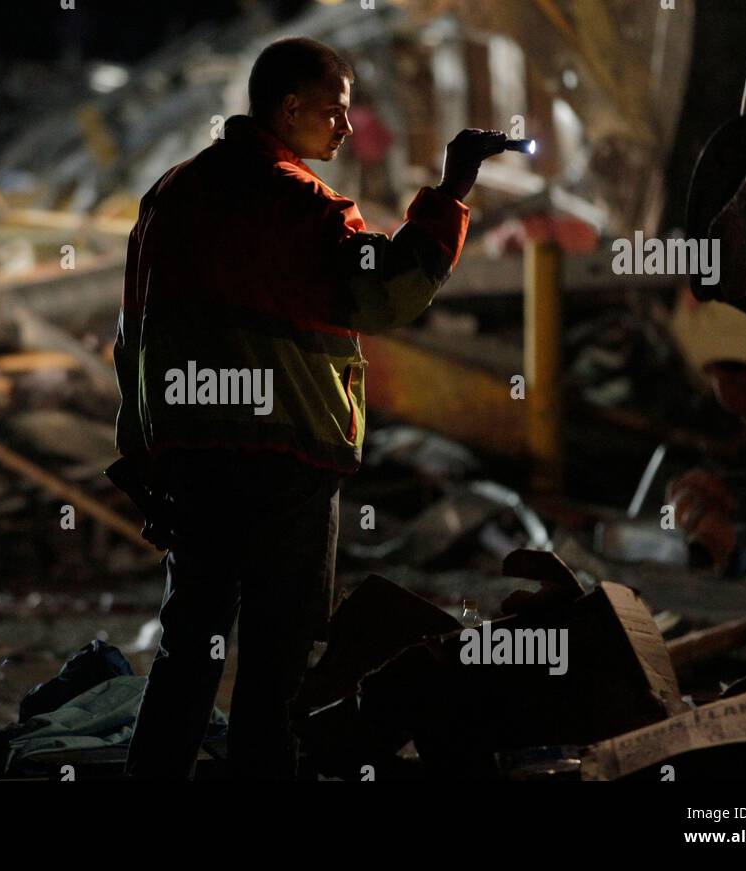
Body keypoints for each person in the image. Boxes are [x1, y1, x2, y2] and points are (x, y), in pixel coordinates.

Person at [112, 36, 506, 779]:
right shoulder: (306, 207)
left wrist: (142, 455)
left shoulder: (170, 195)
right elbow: (387, 289)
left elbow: (133, 338)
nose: (347, 129)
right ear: (288, 108)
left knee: (190, 643)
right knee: (278, 655)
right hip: (286, 466)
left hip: (192, 464)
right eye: (335, 112)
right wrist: (450, 193)